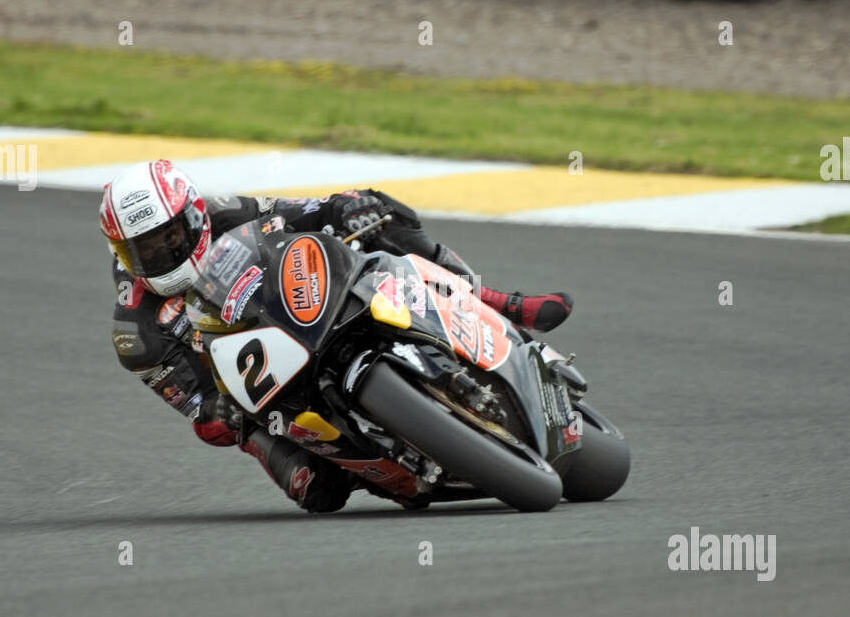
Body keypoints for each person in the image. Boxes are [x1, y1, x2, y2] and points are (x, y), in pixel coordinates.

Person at [101, 159, 573, 513]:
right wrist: (218, 418)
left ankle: (499, 303)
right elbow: (198, 409)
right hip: (257, 392)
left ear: (195, 216)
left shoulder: (225, 213)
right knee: (315, 490)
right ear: (120, 251)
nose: (161, 253)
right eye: (142, 249)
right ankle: (385, 463)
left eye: (169, 237)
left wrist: (348, 205)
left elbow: (304, 211)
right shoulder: (138, 333)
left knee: (376, 217)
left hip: (304, 305)